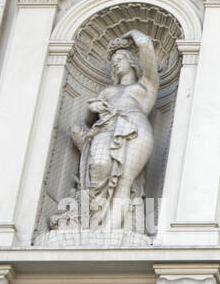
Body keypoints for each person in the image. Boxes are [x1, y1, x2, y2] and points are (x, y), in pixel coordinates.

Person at [61, 29, 158, 234]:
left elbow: (147, 49)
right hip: (106, 127)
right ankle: (92, 222)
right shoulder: (106, 92)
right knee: (99, 164)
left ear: (132, 61)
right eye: (113, 59)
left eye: (121, 57)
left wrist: (134, 35)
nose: (116, 62)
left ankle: (110, 230)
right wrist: (92, 109)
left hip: (136, 127)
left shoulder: (146, 86)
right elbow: (89, 121)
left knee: (124, 180)